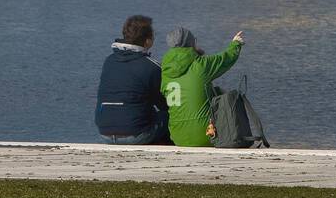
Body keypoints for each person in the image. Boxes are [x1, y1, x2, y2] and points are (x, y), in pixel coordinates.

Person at [160, 26, 244, 147]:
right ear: (191, 44)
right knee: (222, 95)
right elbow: (226, 59)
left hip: (177, 136)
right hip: (206, 135)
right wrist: (236, 43)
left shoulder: (165, 70)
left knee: (211, 91)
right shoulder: (201, 65)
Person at [95, 14, 169, 145]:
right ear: (147, 41)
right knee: (169, 116)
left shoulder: (109, 61)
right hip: (135, 134)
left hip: (104, 133)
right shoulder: (151, 66)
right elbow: (164, 104)